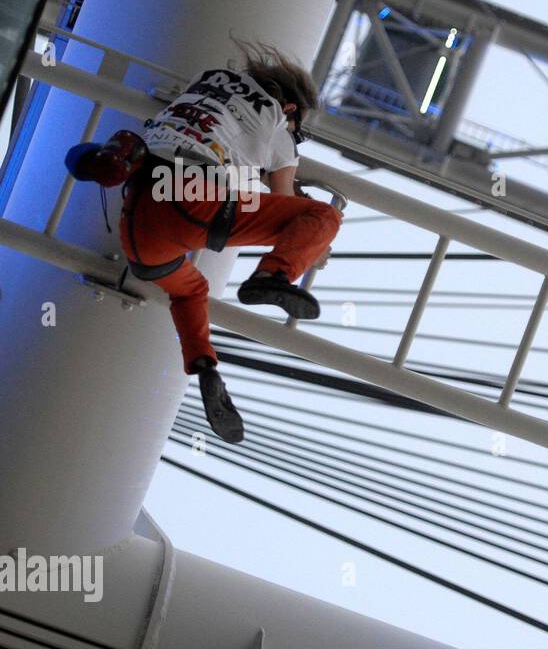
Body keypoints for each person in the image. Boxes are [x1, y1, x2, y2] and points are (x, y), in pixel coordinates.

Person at [66, 40, 342, 444]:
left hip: (144, 191)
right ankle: (273, 277)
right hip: (181, 210)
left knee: (191, 287)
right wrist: (312, 246)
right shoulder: (278, 121)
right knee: (321, 216)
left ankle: (103, 158)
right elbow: (285, 201)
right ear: (292, 110)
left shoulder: (203, 88)